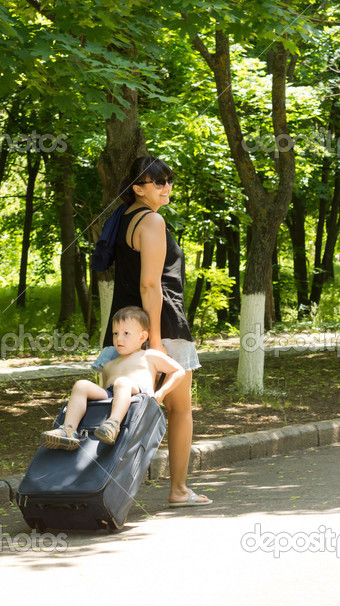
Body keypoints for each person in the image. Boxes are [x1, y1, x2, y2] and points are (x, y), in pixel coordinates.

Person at [97, 155, 212, 507]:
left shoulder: (125, 219)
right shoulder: (152, 221)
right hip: (160, 327)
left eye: (168, 181)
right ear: (138, 188)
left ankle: (100, 489)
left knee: (117, 411)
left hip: (123, 329)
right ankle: (178, 491)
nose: (166, 188)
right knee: (180, 410)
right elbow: (150, 285)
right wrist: (158, 344)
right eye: (158, 182)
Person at [42, 307, 185, 450]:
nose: (119, 338)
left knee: (121, 382)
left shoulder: (149, 355)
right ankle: (69, 429)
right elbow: (105, 394)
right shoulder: (109, 365)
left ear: (142, 337)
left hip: (139, 397)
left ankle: (113, 424)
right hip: (113, 395)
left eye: (126, 333)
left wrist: (161, 393)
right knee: (81, 384)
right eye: (115, 333)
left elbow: (178, 371)